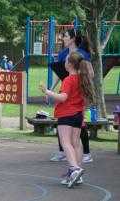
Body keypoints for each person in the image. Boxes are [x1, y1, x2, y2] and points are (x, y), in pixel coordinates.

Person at [39, 52, 93, 188]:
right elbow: (85, 101)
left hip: (66, 114)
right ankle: (76, 171)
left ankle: (74, 169)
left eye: (65, 61)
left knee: (66, 143)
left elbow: (63, 97)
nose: (63, 62)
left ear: (69, 64)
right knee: (76, 142)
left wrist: (47, 91)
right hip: (77, 114)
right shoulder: (82, 79)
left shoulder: (69, 80)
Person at [49, 29, 94, 163]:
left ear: (73, 38)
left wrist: (85, 86)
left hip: (78, 90)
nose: (63, 38)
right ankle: (63, 151)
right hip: (66, 88)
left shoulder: (82, 54)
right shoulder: (63, 54)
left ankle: (86, 153)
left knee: (80, 123)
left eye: (65, 36)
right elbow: (59, 72)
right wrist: (51, 89)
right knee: (62, 121)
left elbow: (90, 73)